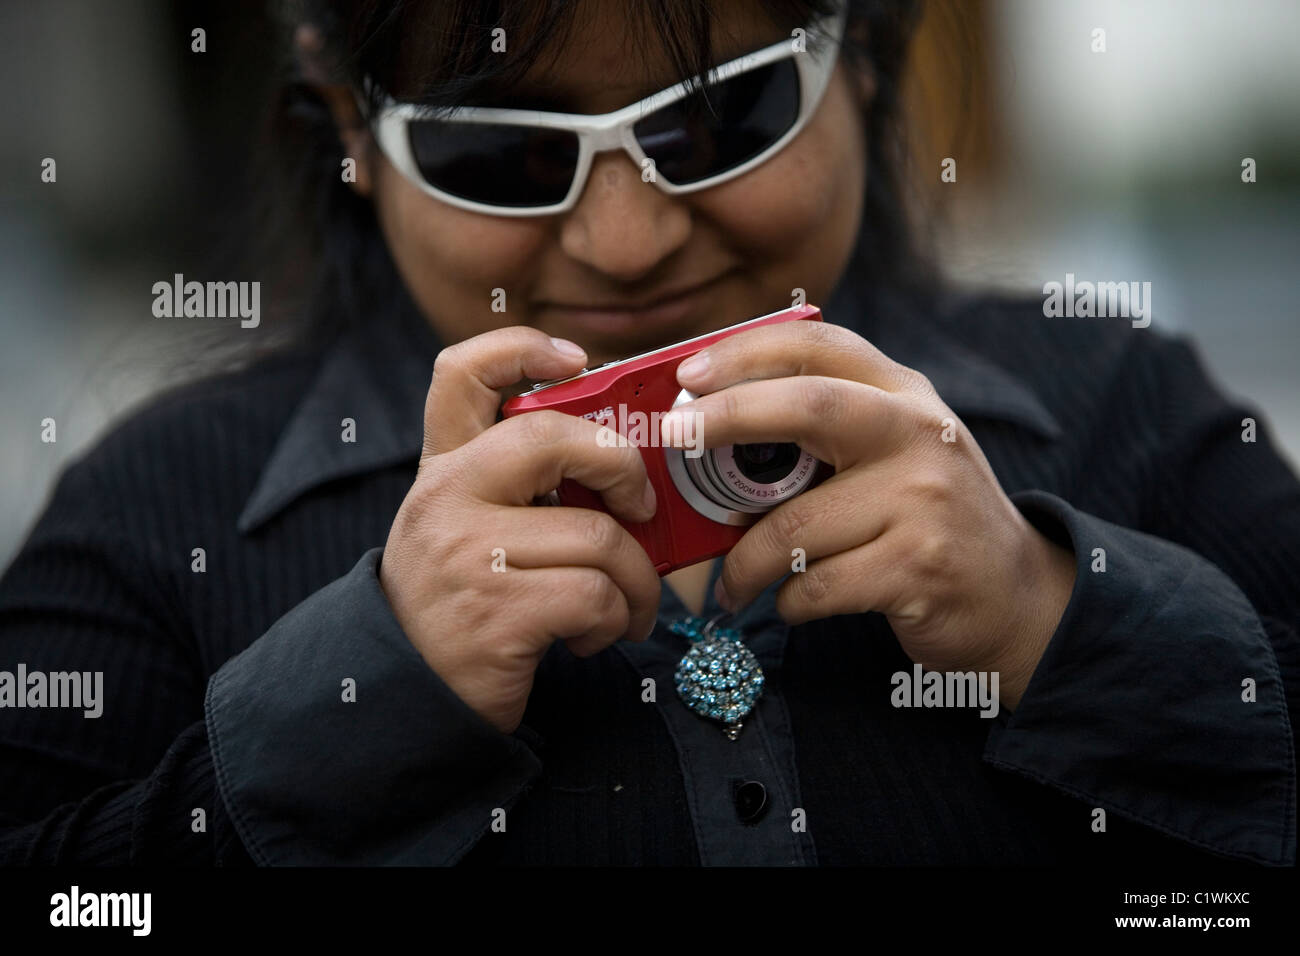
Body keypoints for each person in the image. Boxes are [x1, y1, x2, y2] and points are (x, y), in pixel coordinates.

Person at [0, 0, 1295, 866]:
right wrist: (358, 696)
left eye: (720, 118)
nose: (629, 243)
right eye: (497, 150)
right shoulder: (158, 510)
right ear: (350, 131)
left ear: (869, 55)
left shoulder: (1123, 403)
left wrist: (1052, 613)